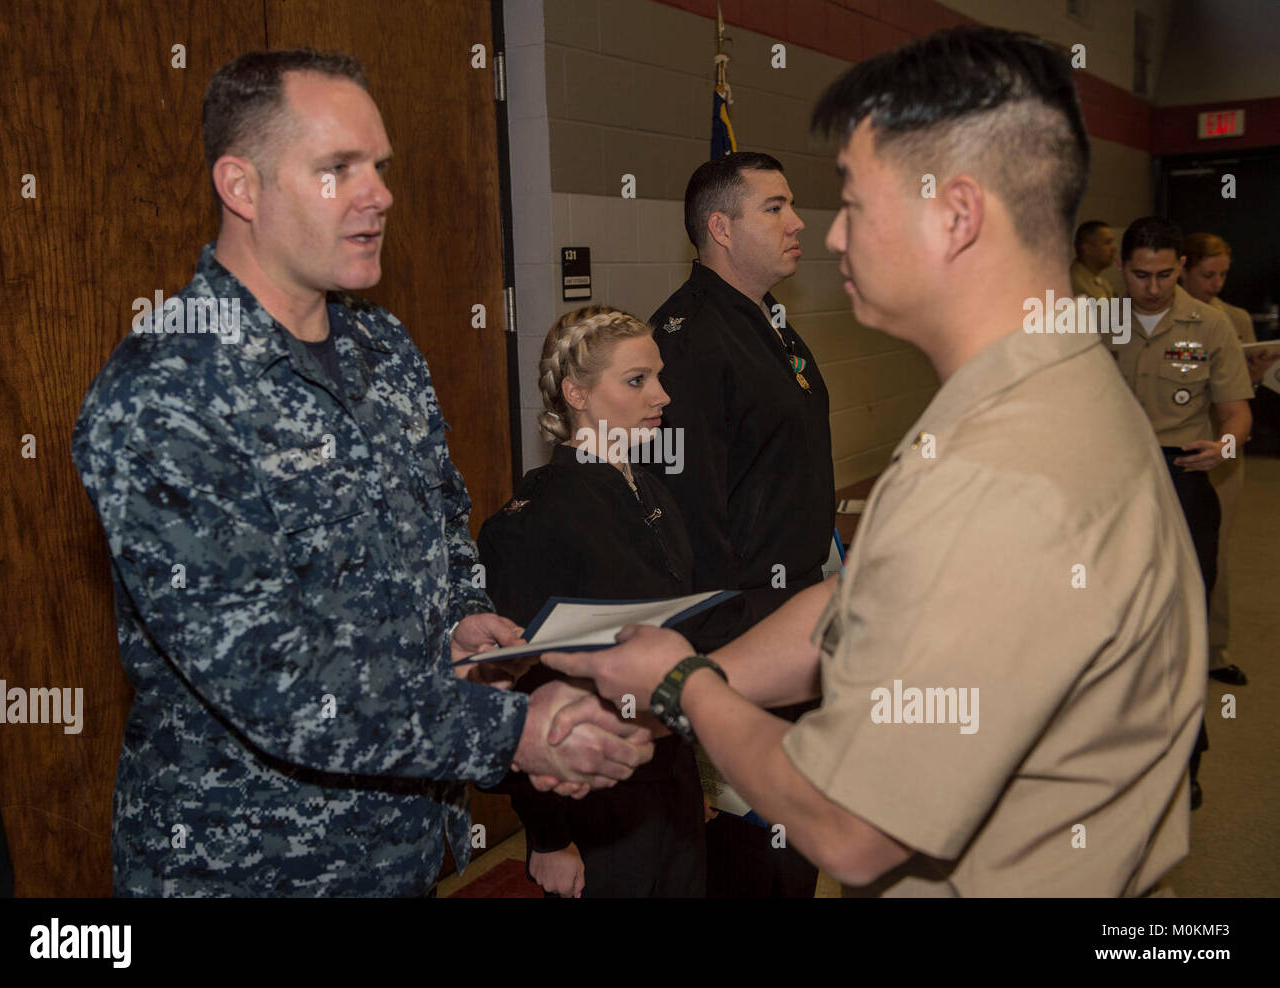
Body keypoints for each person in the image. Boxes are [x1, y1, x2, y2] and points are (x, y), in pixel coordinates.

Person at [542, 26, 1207, 897]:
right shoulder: (1051, 394)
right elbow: (867, 604)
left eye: (855, 202)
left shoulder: (987, 472)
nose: (830, 236)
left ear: (956, 216)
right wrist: (695, 678)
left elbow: (850, 826)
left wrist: (683, 690)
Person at [70, 48, 651, 897]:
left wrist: (460, 618)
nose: (378, 193)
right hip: (248, 866)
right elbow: (275, 678)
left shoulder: (383, 348)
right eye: (338, 168)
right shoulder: (163, 393)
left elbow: (442, 522)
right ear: (242, 186)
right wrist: (511, 732)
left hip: (402, 847)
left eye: (378, 166)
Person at [646, 151, 835, 897]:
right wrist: (728, 669)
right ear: (720, 228)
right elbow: (690, 516)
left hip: (794, 613)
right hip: (746, 631)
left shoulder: (770, 322)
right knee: (757, 854)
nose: (797, 223)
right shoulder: (686, 340)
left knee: (799, 833)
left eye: (792, 206)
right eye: (775, 208)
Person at [477, 306, 707, 898]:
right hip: (592, 798)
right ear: (576, 392)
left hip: (667, 780)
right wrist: (549, 838)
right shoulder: (537, 519)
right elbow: (517, 687)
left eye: (658, 375)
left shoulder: (652, 493)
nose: (662, 394)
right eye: (637, 381)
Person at [1112, 219, 1253, 808]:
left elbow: (1236, 414)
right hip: (1113, 487)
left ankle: (1183, 759)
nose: (1153, 286)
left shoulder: (1210, 323)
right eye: (1141, 275)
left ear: (1179, 267)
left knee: (1182, 629)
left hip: (1184, 480)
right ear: (1123, 269)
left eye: (1165, 274)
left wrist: (1222, 447)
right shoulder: (1091, 322)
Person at [1179, 233, 1255, 686]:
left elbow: (1242, 396)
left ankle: (1212, 648)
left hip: (1222, 448)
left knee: (1215, 550)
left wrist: (1258, 373)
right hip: (1174, 443)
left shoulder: (1235, 319)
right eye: (1208, 274)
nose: (1216, 283)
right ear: (1185, 268)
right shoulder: (1152, 316)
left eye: (1223, 274)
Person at [1070, 220, 1117, 299]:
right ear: (1087, 248)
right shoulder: (1077, 284)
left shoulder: (1096, 278)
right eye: (1107, 243)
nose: (1114, 248)